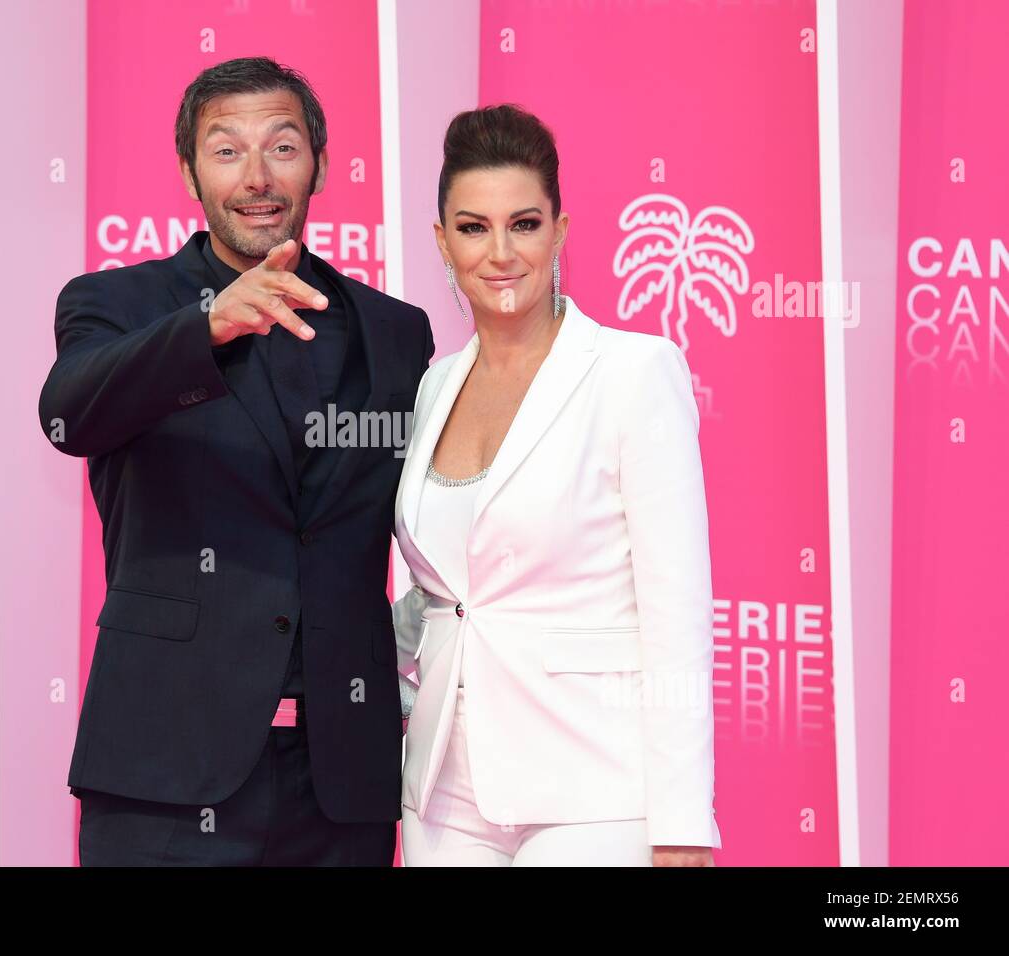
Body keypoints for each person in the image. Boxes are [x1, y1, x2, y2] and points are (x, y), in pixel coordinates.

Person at [38, 56, 433, 865]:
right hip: (164, 779)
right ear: (188, 171)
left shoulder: (396, 334)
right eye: (226, 151)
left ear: (318, 161)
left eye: (282, 147)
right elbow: (66, 413)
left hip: (343, 788)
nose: (257, 177)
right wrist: (209, 327)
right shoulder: (118, 306)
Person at [392, 104, 721, 866]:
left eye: (525, 224)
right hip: (443, 790)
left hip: (595, 787)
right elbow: (447, 593)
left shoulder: (633, 373)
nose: (501, 252)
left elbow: (676, 611)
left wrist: (681, 821)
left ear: (561, 230)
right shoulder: (435, 386)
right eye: (474, 228)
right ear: (442, 243)